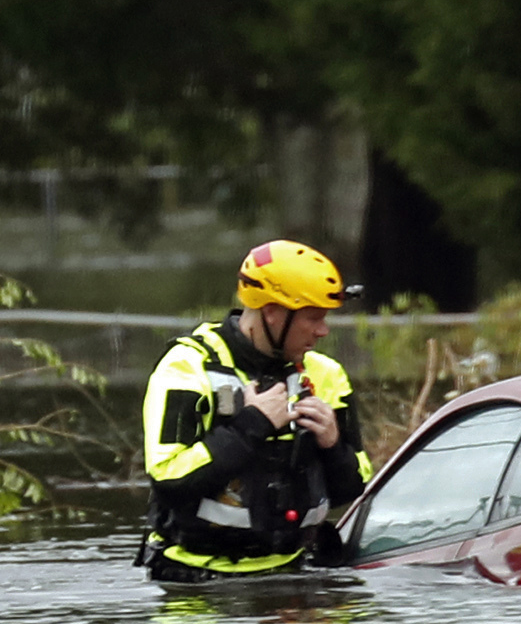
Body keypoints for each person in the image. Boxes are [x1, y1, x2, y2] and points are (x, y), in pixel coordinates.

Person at [136, 240, 373, 582]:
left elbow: (352, 488)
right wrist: (250, 425)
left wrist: (333, 446)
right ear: (272, 311)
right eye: (313, 318)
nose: (323, 330)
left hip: (295, 575)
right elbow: (169, 482)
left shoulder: (326, 374)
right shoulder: (187, 368)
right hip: (195, 583)